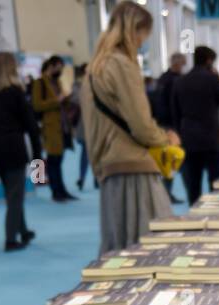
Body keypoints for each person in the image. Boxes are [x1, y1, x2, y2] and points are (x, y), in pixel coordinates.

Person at [82, 0, 178, 253]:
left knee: (118, 250)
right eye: (143, 36)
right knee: (152, 250)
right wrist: (165, 139)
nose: (142, 43)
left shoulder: (95, 68)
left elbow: (91, 128)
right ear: (133, 30)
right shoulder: (123, 65)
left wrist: (98, 164)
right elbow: (141, 124)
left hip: (110, 167)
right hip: (134, 167)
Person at [0, 52, 42, 251]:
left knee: (12, 193)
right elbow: (31, 125)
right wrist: (37, 155)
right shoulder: (15, 92)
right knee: (15, 196)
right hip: (14, 149)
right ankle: (10, 239)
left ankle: (22, 231)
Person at [173, 46, 219, 205]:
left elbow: (175, 113)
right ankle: (217, 220)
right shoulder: (212, 79)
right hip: (212, 138)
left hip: (189, 139)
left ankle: (194, 222)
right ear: (209, 61)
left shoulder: (180, 81)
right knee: (217, 186)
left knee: (193, 187)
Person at [32, 55, 75, 201]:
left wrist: (66, 99)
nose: (61, 70)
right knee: (53, 160)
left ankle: (61, 189)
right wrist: (56, 101)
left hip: (61, 126)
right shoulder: (40, 83)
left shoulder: (57, 83)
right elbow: (37, 105)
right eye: (59, 67)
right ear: (51, 66)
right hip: (49, 127)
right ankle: (56, 191)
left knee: (59, 159)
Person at [69, 65, 95, 192]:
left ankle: (94, 178)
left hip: (95, 123)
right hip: (85, 123)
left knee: (93, 152)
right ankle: (83, 178)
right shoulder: (78, 86)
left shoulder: (95, 84)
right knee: (87, 152)